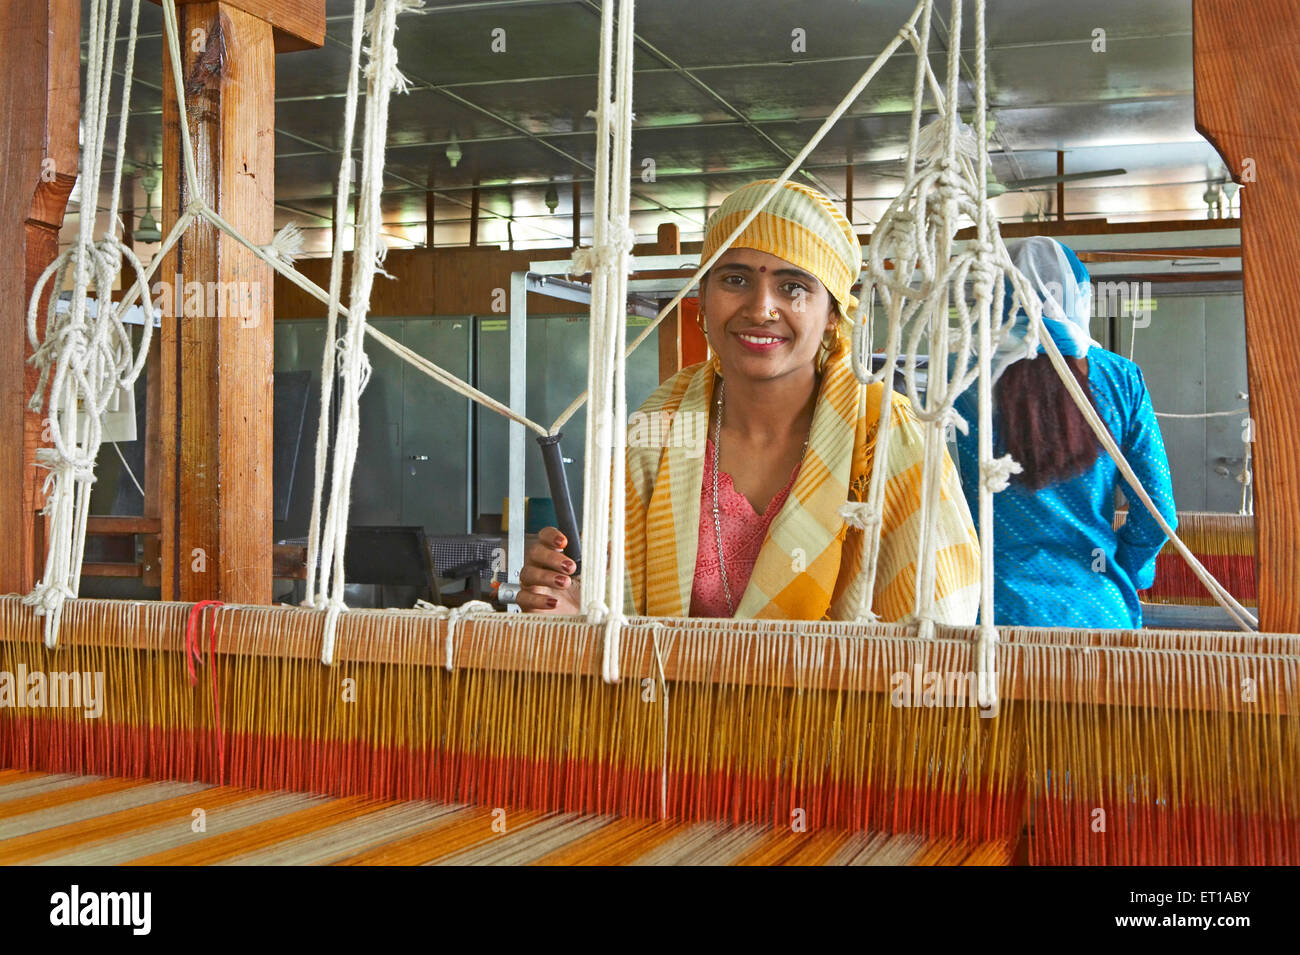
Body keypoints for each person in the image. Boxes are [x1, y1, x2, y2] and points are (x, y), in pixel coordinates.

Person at [520, 178, 980, 622]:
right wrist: (573, 603)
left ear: (834, 314)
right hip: (670, 701)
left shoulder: (888, 436)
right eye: (735, 279)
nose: (761, 308)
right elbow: (617, 618)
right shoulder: (661, 425)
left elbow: (936, 628)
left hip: (843, 703)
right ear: (703, 297)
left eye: (793, 286)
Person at [951, 236, 1176, 629]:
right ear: (1080, 296)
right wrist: (1119, 569)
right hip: (1096, 614)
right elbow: (1158, 513)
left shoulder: (960, 375)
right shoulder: (1120, 378)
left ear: (995, 292)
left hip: (985, 613)